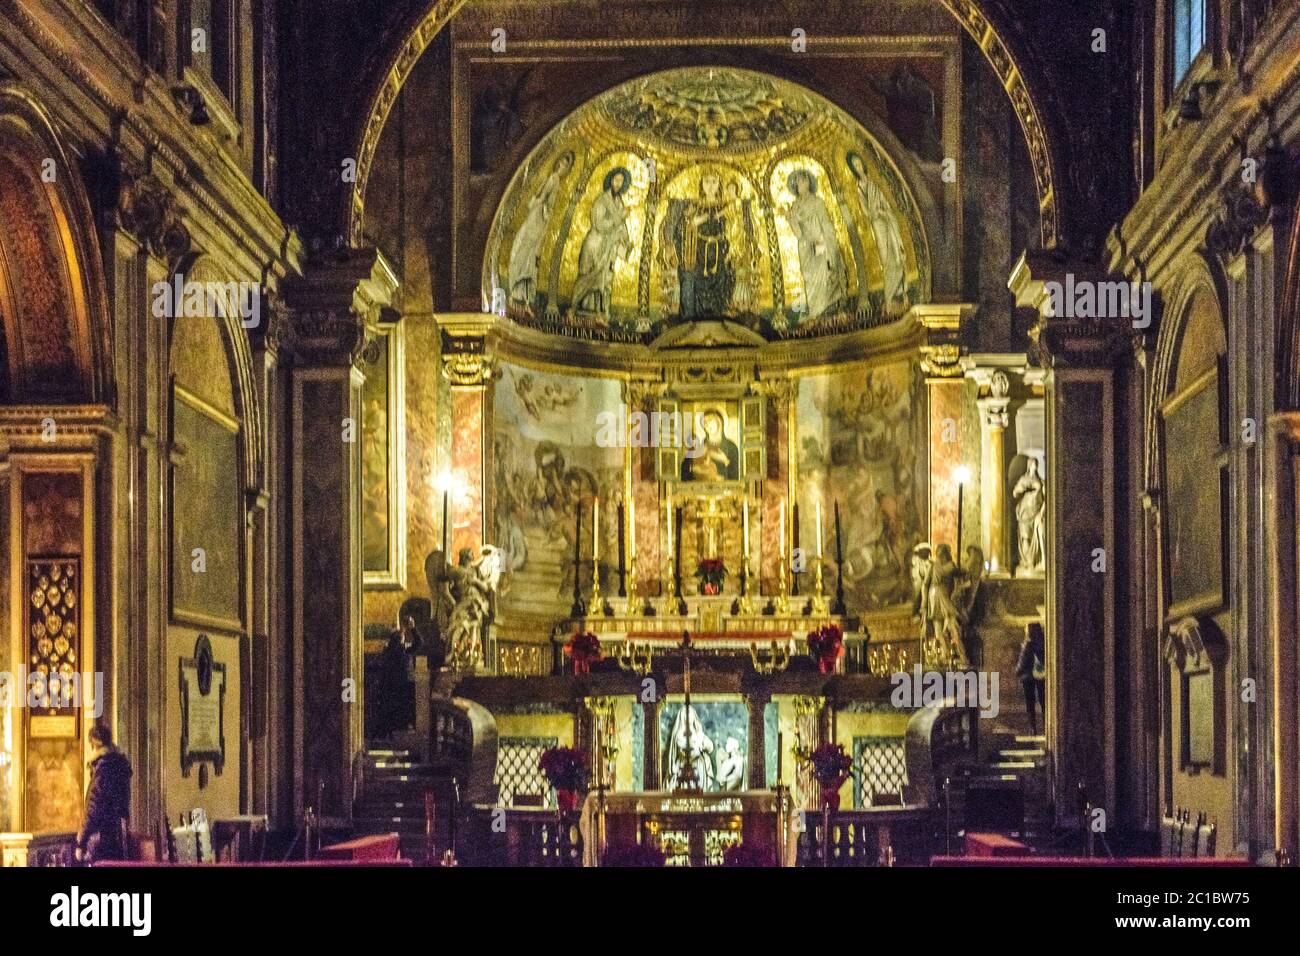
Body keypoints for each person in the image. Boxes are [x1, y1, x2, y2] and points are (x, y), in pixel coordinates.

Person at [76, 723, 132, 864]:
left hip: (100, 839)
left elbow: (93, 808)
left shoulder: (103, 769)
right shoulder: (119, 765)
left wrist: (81, 842)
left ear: (92, 745)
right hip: (118, 836)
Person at [1015, 622, 1047, 734]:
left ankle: (1033, 728)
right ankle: (1046, 726)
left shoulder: (1028, 644)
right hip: (1042, 676)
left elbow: (1022, 662)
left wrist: (1017, 671)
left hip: (1028, 677)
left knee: (1030, 703)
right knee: (1044, 702)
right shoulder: (1044, 643)